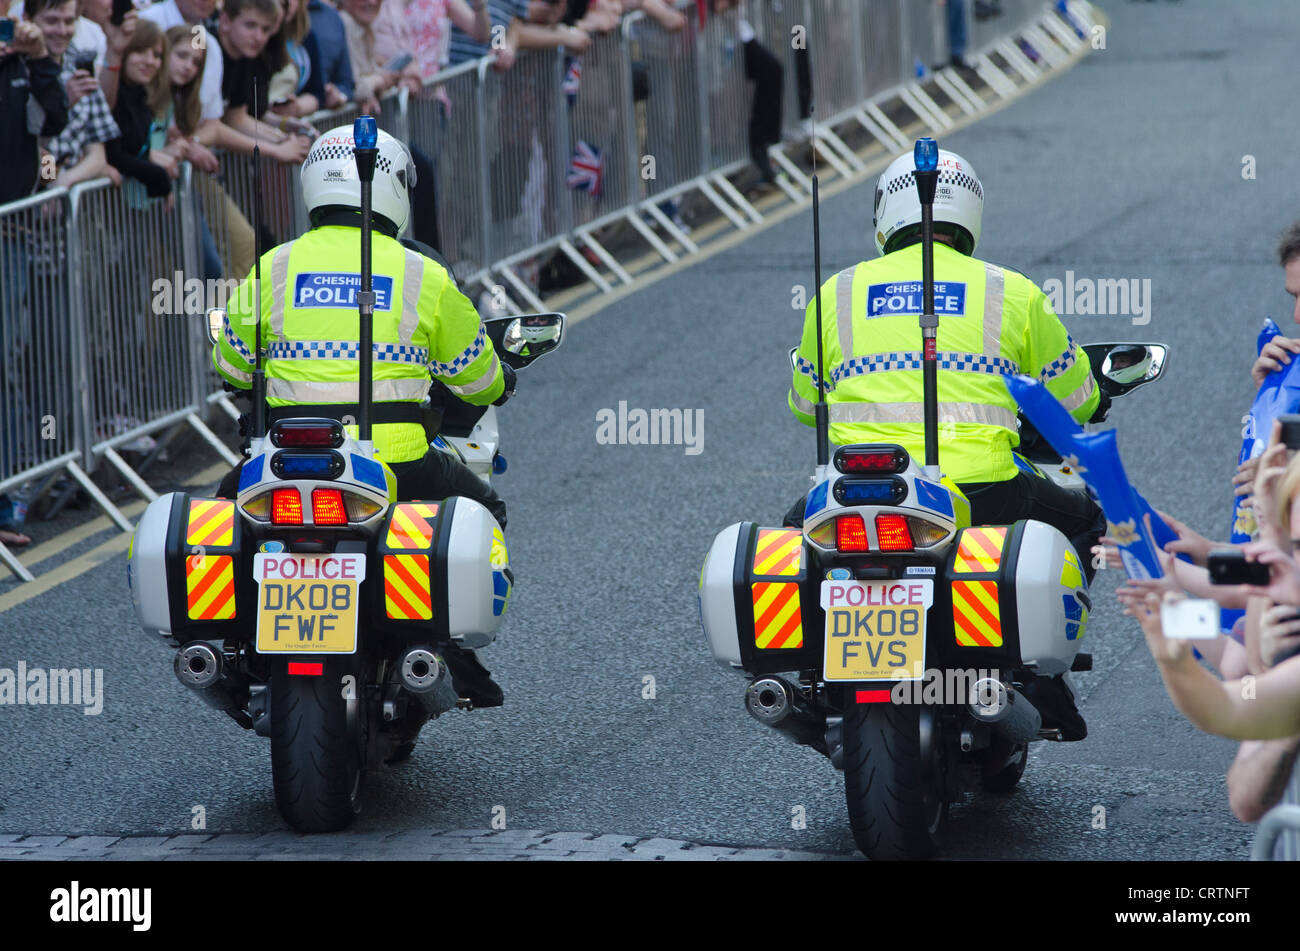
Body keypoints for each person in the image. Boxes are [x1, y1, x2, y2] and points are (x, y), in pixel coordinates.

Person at [787, 148, 1108, 740]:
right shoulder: (1012, 293)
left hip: (854, 493)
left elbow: (806, 403)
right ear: (971, 212)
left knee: (791, 544)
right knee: (1086, 517)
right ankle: (1040, 675)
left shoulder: (835, 293)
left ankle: (808, 671)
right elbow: (1080, 397)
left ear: (885, 213)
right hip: (980, 488)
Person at [211, 125, 515, 708]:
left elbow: (231, 363)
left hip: (281, 461)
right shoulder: (422, 274)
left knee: (220, 527)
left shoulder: (275, 265)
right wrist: (504, 378)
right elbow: (477, 377)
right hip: (393, 462)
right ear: (395, 188)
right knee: (484, 508)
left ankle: (233, 644)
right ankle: (449, 645)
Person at [105, 18, 174, 202]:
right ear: (124, 51)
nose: (150, 61)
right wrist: (157, 176)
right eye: (140, 51)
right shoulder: (111, 93)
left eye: (157, 55)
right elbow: (112, 155)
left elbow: (136, 150)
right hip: (104, 205)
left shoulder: (143, 94)